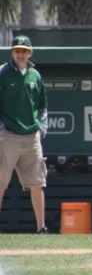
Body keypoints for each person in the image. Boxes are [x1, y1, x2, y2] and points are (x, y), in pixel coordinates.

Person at [0, 35, 48, 234]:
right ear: (12, 52)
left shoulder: (35, 75)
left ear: (30, 53)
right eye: (17, 50)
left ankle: (41, 227)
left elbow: (42, 105)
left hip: (31, 136)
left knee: (37, 183)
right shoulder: (2, 73)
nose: (20, 54)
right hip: (8, 136)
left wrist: (41, 127)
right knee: (1, 183)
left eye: (24, 51)